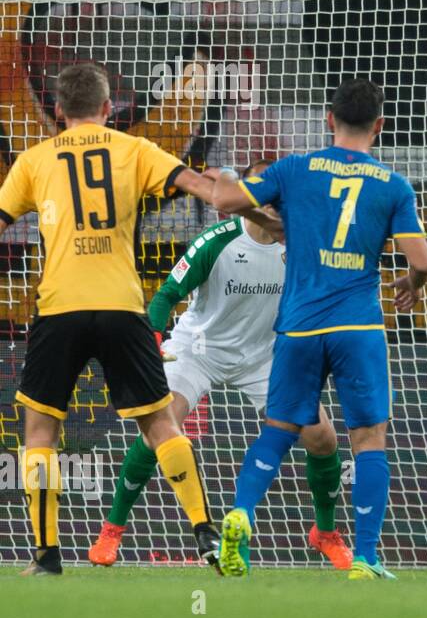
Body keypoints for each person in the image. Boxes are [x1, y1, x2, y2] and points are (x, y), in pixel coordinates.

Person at [0, 62, 280, 576]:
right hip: (123, 309)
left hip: (60, 307)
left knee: (40, 432)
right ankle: (206, 536)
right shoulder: (134, 150)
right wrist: (264, 217)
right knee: (158, 422)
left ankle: (46, 557)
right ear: (108, 109)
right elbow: (209, 188)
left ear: (58, 111)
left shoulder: (34, 160)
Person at [211, 79, 427, 580]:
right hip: (358, 325)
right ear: (379, 126)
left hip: (298, 326)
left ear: (328, 120)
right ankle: (366, 558)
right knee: (369, 438)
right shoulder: (392, 184)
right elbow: (423, 259)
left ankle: (242, 513)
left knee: (278, 430)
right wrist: (412, 281)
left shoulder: (293, 169)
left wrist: (265, 215)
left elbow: (226, 202)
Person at [89, 160, 352, 572]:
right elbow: (166, 296)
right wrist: (153, 343)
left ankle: (326, 533)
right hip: (199, 349)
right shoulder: (218, 240)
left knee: (323, 438)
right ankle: (112, 530)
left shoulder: (303, 245)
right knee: (162, 426)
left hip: (264, 357)